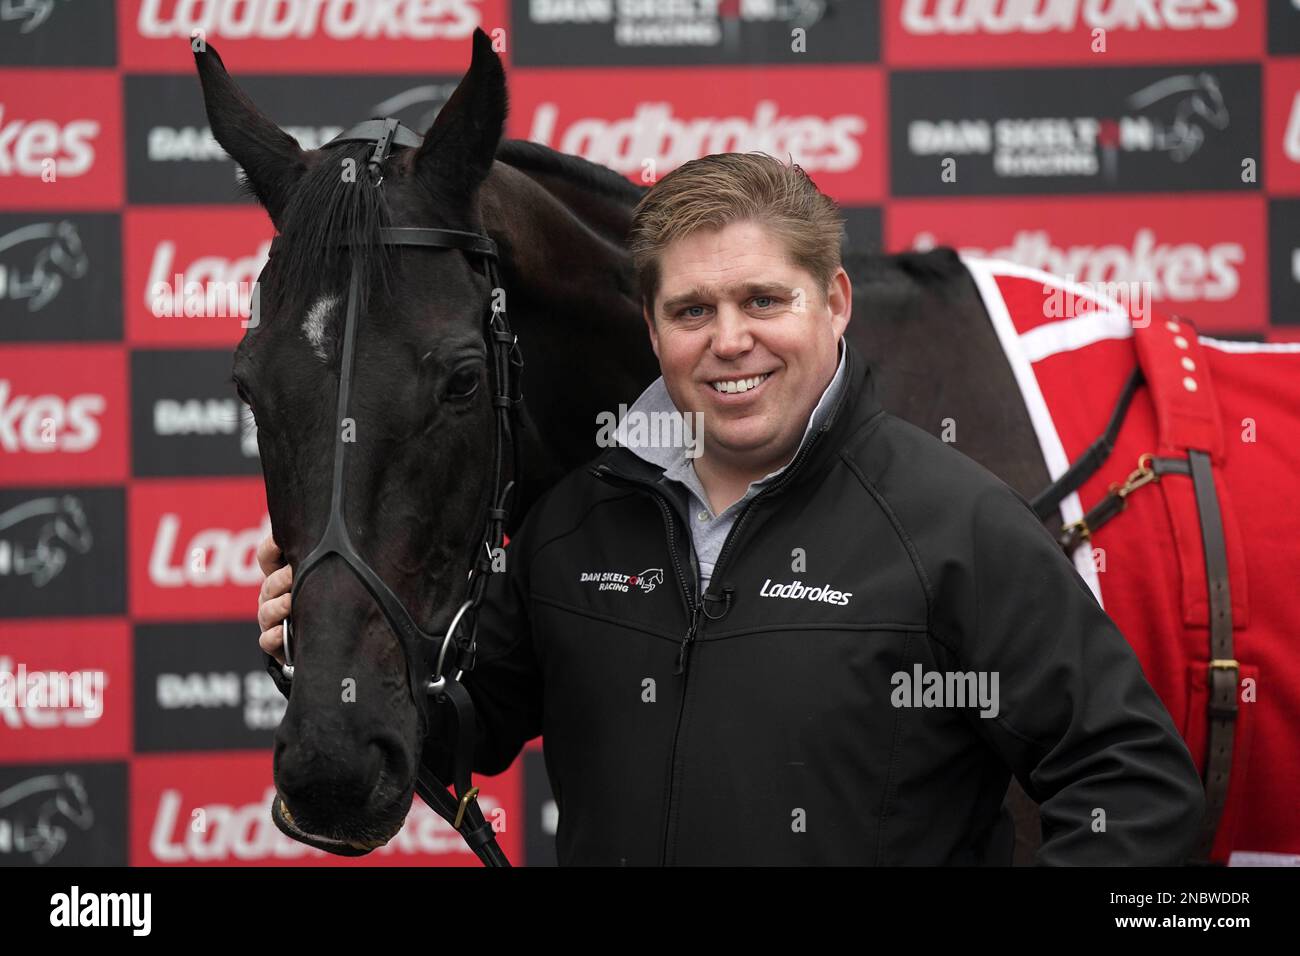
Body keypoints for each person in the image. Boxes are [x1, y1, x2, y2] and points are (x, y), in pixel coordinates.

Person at [255, 152, 1204, 865]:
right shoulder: (572, 525)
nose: (731, 342)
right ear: (651, 326)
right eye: (693, 310)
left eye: (763, 300)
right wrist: (335, 660)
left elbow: (1138, 788)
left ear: (834, 302)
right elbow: (461, 724)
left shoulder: (957, 526)